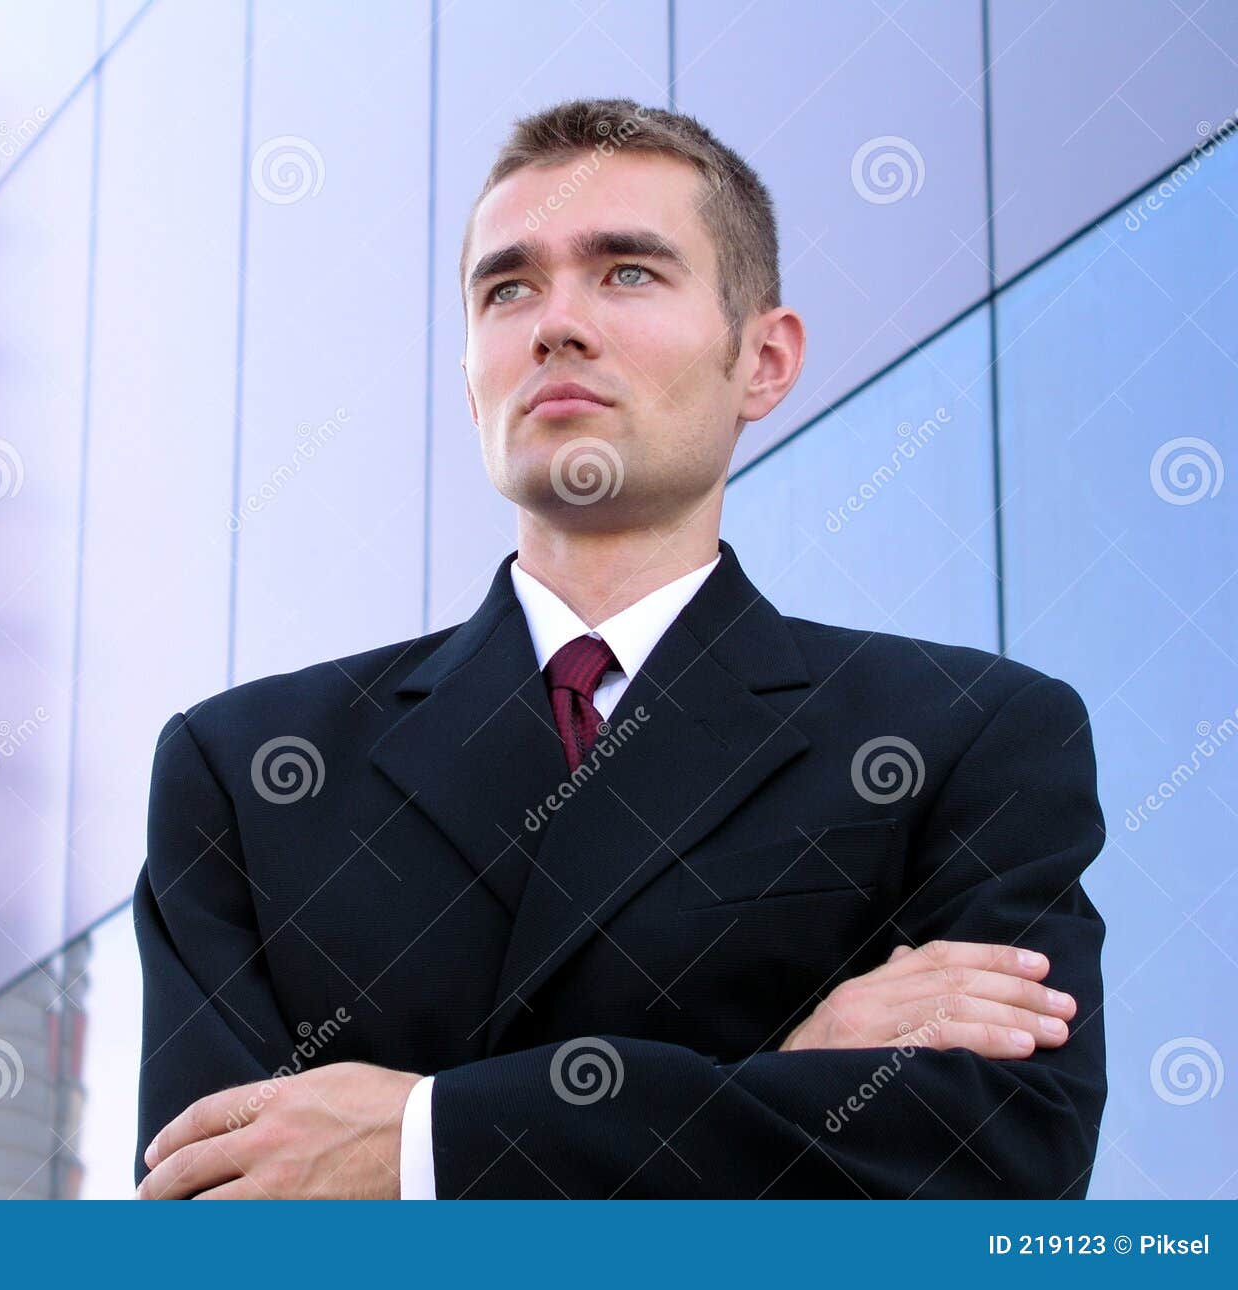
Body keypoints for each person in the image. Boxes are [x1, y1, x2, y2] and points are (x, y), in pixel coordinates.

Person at [133, 98, 1106, 1199]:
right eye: (507, 288)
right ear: (471, 381)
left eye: (627, 273)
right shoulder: (249, 770)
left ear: (763, 360)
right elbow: (209, 1211)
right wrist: (779, 1075)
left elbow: (994, 1164)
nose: (556, 323)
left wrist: (423, 1140)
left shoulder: (964, 735)